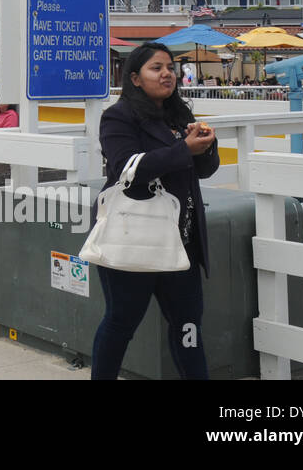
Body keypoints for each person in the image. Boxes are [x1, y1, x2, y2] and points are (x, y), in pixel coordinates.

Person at [91, 42, 219, 380]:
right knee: (121, 323)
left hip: (183, 242)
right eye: (156, 68)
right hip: (134, 238)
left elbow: (203, 170)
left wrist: (205, 145)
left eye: (170, 68)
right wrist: (183, 149)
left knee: (188, 327)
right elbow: (126, 169)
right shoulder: (118, 117)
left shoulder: (180, 115)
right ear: (135, 78)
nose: (166, 74)